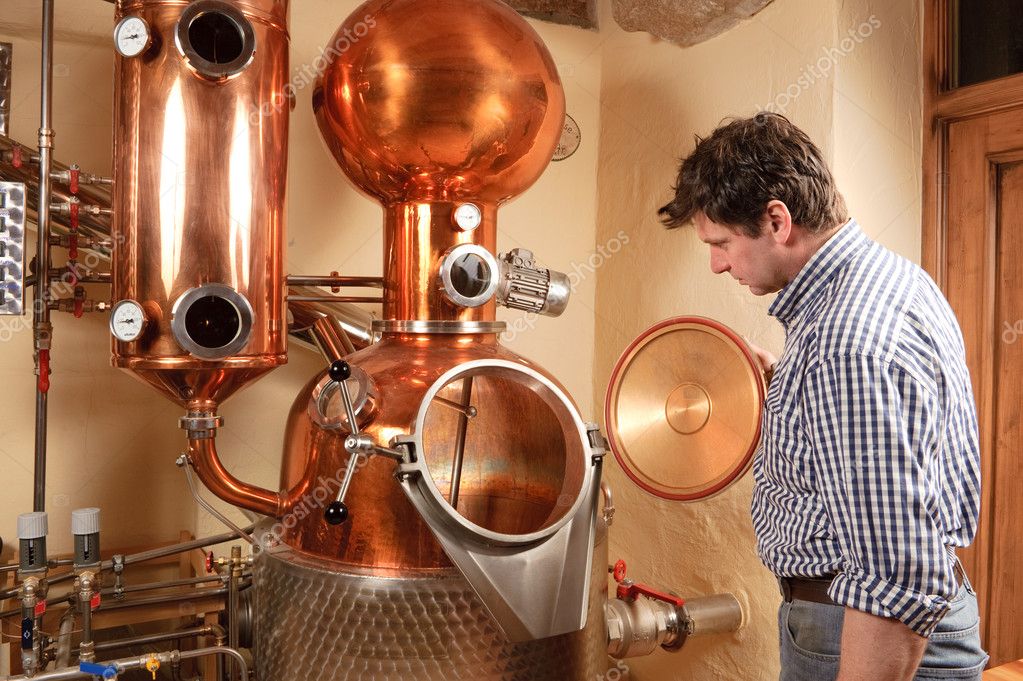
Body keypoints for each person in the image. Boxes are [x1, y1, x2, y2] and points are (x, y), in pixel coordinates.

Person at [658, 112, 988, 681]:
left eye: (721, 243)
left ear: (777, 220)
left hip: (861, 632)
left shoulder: (845, 342)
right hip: (882, 622)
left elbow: (896, 575)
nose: (716, 264)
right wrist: (788, 381)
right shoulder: (892, 280)